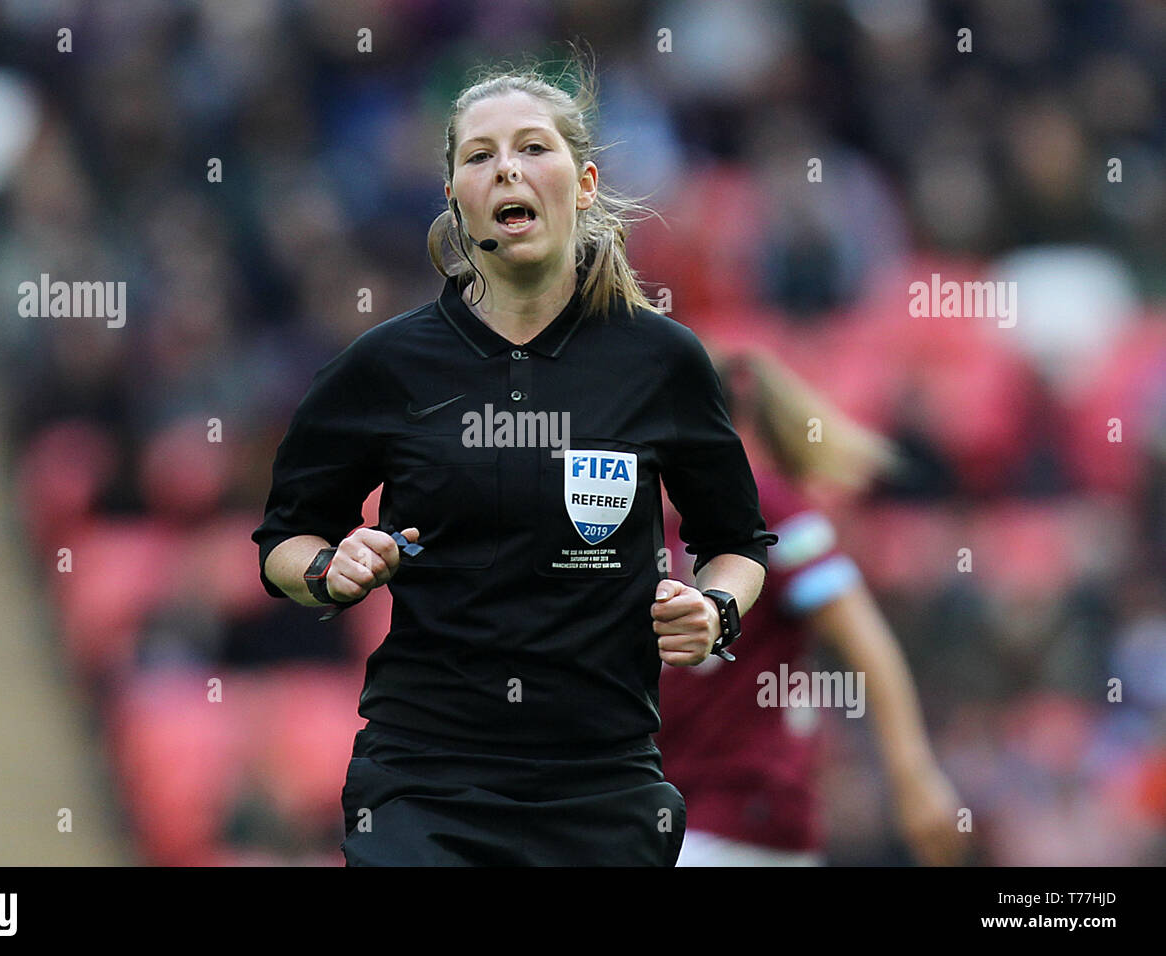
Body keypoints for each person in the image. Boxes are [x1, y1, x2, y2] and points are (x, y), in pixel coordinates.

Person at [251, 47, 777, 866]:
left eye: (534, 148)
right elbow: (284, 540)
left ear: (587, 182)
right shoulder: (385, 367)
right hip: (422, 782)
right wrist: (328, 568)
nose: (507, 171)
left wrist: (715, 611)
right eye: (479, 156)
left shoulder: (664, 363)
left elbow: (738, 543)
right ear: (456, 198)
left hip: (603, 784)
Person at [654, 350, 966, 866]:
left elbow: (867, 641)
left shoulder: (770, 508)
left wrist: (914, 776)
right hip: (674, 804)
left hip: (741, 809)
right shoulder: (658, 518)